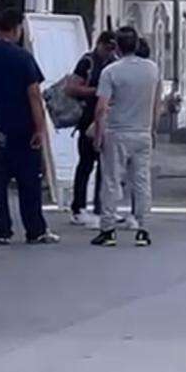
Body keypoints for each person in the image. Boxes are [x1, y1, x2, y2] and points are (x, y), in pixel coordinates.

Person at [0, 8, 59, 245]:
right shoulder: (23, 58)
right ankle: (35, 229)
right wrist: (40, 129)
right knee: (29, 181)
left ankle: (1, 229)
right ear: (17, 29)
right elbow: (34, 95)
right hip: (22, 128)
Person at [91, 26, 160, 248]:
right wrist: (153, 129)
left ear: (117, 47)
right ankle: (143, 229)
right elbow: (156, 103)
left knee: (111, 181)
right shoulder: (152, 70)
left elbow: (101, 107)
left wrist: (98, 135)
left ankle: (108, 229)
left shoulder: (111, 72)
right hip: (142, 132)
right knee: (141, 181)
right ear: (137, 44)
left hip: (117, 132)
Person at [66, 31, 117, 227]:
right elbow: (72, 88)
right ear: (99, 44)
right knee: (86, 164)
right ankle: (78, 207)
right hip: (88, 119)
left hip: (107, 119)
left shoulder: (114, 63)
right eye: (106, 48)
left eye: (112, 49)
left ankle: (100, 206)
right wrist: (96, 92)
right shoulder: (87, 62)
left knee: (105, 167)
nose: (108, 52)